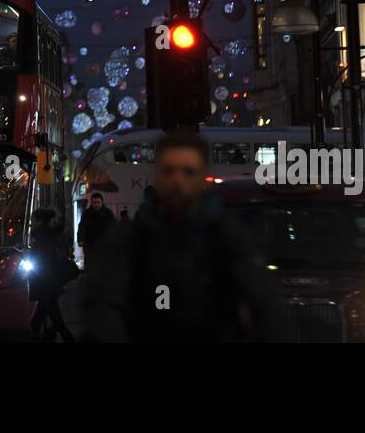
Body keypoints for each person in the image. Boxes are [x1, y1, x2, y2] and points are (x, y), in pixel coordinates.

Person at [82, 133, 293, 343]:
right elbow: (103, 306)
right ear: (157, 176)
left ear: (202, 177)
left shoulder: (226, 236)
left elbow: (266, 304)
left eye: (188, 172)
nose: (177, 180)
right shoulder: (131, 238)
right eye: (169, 171)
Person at [27, 208, 77, 342]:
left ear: (39, 221)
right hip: (49, 285)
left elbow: (43, 261)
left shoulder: (41, 237)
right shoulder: (47, 236)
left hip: (46, 285)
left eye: (33, 219)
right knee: (37, 322)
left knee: (55, 322)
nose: (31, 222)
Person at [77, 191, 115, 269]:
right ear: (91, 203)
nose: (96, 204)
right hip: (90, 245)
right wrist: (81, 239)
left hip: (103, 246)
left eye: (98, 202)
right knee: (90, 266)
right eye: (94, 202)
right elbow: (82, 227)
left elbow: (112, 228)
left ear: (102, 202)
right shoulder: (87, 213)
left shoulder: (108, 214)